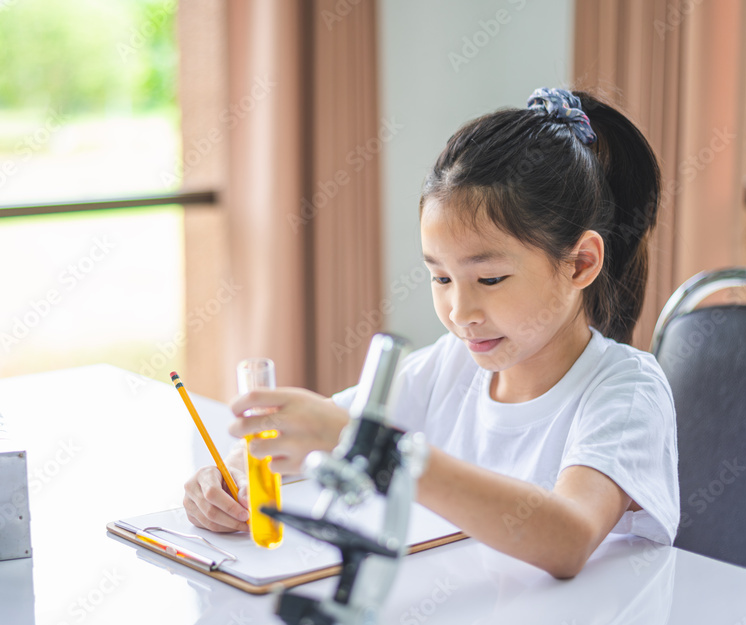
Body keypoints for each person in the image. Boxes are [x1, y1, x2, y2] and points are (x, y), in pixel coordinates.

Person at [182, 87, 680, 579]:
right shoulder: (451, 366)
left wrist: (379, 448)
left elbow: (567, 539)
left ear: (580, 263)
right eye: (441, 278)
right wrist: (232, 476)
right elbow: (320, 432)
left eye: (489, 279)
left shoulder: (626, 391)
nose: (460, 311)